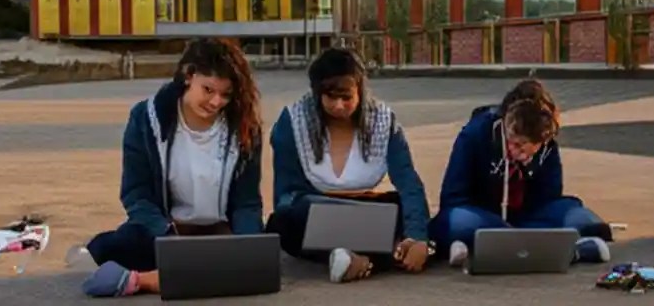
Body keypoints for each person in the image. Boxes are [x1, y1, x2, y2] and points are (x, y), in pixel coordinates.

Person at [81, 38, 264, 298]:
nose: (216, 102)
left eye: (226, 95)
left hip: (222, 233)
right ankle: (203, 273)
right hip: (167, 233)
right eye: (208, 90)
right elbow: (136, 193)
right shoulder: (146, 118)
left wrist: (247, 244)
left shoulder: (245, 127)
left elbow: (247, 202)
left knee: (261, 252)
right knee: (115, 246)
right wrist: (168, 236)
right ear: (189, 75)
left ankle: (146, 281)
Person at [265, 47, 430, 283]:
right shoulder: (292, 121)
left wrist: (417, 236)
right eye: (331, 97)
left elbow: (408, 181)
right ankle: (374, 256)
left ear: (360, 91)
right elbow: (286, 192)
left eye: (346, 97)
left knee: (403, 209)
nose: (339, 105)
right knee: (284, 218)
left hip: (367, 209)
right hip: (317, 209)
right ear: (317, 92)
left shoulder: (384, 120)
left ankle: (349, 257)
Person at [429, 79, 612, 267]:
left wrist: (530, 167)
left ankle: (491, 245)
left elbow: (550, 198)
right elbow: (453, 196)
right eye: (515, 144)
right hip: (481, 215)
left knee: (579, 216)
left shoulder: (546, 144)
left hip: (527, 218)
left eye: (528, 148)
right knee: (455, 220)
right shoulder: (475, 134)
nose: (519, 153)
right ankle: (556, 248)